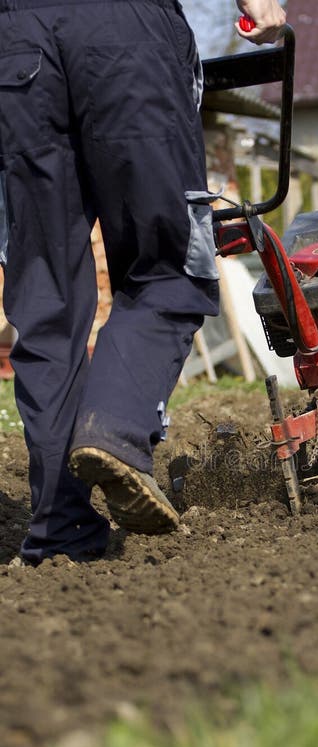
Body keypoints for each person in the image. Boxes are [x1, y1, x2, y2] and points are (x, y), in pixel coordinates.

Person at [0, 0, 286, 564]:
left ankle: (62, 531)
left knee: (45, 300)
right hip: (123, 31)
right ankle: (116, 429)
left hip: (15, 47)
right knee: (170, 267)